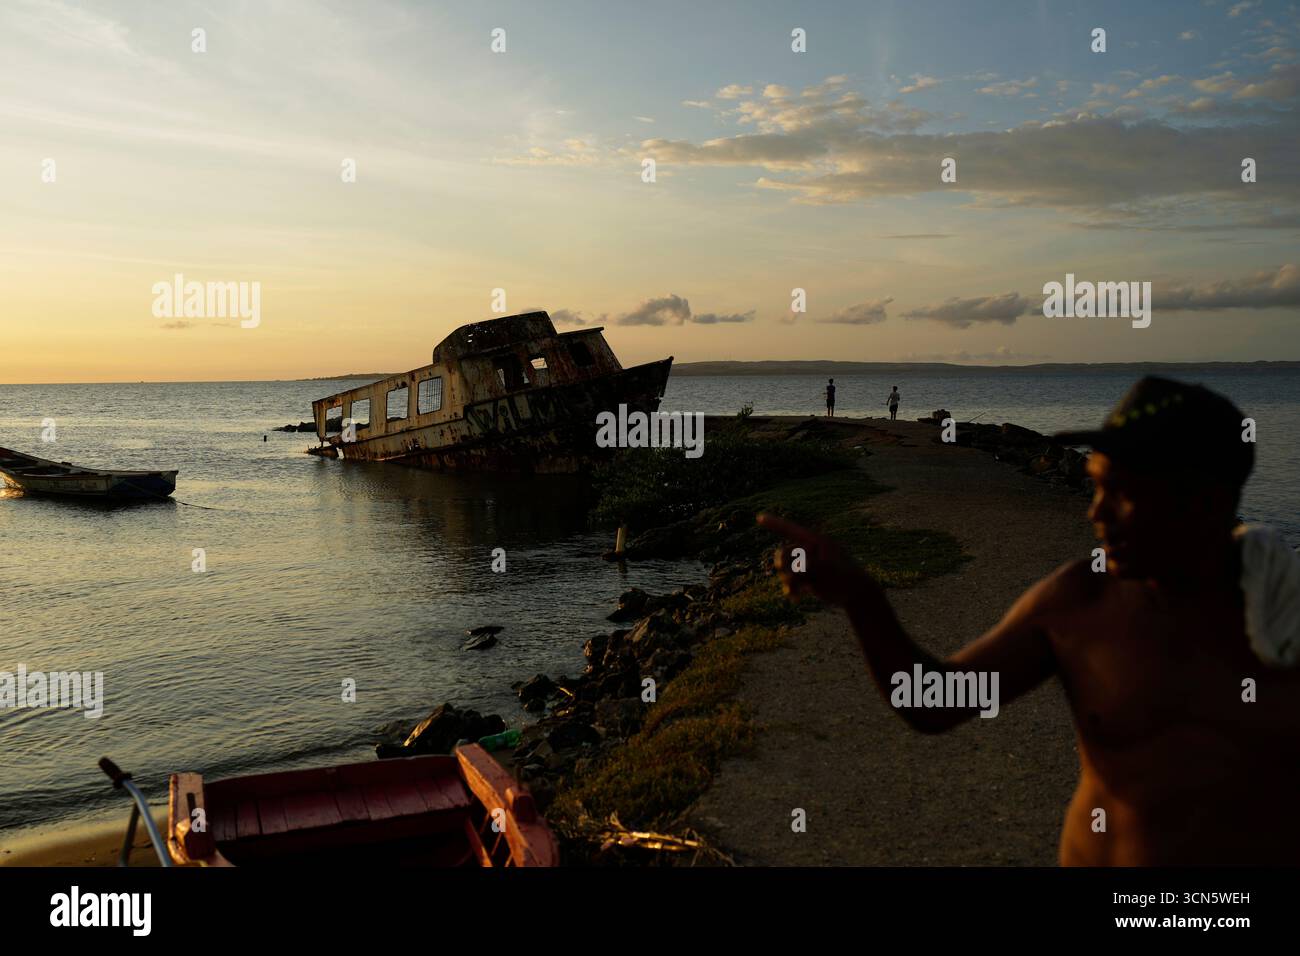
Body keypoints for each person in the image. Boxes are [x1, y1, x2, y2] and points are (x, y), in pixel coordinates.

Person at [759, 376, 1300, 865]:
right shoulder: (1081, 601)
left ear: (1207, 500)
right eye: (1095, 485)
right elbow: (934, 703)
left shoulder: (1282, 626)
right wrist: (861, 596)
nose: (1096, 511)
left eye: (1125, 493)